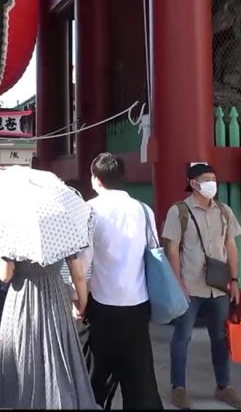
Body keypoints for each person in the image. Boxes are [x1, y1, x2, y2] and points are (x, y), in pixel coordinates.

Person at [79, 153, 163, 409]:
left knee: (96, 372)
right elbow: (154, 251)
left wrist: (79, 302)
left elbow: (82, 264)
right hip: (137, 301)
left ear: (96, 179)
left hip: (101, 302)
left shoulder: (89, 210)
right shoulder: (143, 210)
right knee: (138, 372)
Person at [162, 162, 241, 410]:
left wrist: (234, 281)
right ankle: (179, 387)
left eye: (214, 178)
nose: (212, 183)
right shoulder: (179, 212)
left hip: (218, 287)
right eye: (207, 178)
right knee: (182, 337)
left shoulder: (223, 211)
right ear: (193, 183)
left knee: (220, 337)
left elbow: (231, 246)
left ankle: (224, 386)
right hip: (190, 285)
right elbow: (172, 250)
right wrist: (178, 283)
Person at [0, 252, 98, 409]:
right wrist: (82, 302)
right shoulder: (62, 229)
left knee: (24, 355)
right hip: (54, 296)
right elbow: (78, 274)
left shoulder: (12, 232)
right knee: (57, 353)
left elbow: (5, 275)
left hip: (22, 299)